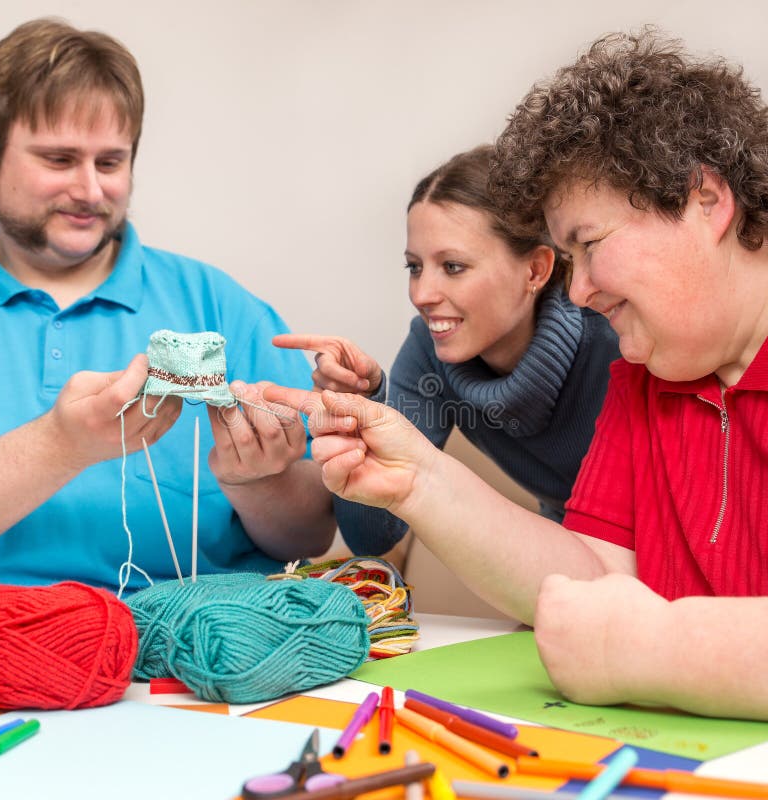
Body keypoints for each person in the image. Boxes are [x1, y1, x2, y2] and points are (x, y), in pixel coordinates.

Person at [266, 30, 768, 720]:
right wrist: (419, 481)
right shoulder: (644, 371)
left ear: (705, 200)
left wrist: (652, 645)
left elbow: (619, 625)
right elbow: (590, 578)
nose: (581, 289)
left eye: (589, 247)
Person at [0, 18, 335, 596]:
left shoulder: (215, 305)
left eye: (110, 163)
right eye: (59, 160)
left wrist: (261, 482)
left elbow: (310, 536)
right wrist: (61, 446)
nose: (90, 191)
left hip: (194, 649)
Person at [274, 145, 619, 555]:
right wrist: (360, 414)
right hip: (569, 551)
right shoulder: (429, 354)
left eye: (453, 266)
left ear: (535, 270)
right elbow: (373, 537)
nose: (421, 294)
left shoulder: (616, 345)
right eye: (414, 267)